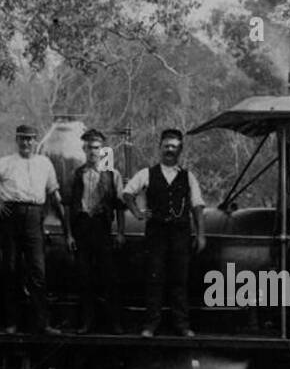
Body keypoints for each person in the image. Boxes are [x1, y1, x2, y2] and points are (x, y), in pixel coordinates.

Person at [0, 123, 74, 336]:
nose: (26, 143)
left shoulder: (44, 163)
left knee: (38, 270)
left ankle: (43, 324)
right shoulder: (6, 163)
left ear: (35, 141)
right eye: (22, 138)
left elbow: (54, 193)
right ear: (16, 140)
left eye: (30, 139)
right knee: (10, 269)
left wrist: (67, 228)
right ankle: (11, 323)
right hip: (10, 217)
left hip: (35, 218)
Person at [123, 128, 206, 337]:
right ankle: (150, 325)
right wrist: (138, 213)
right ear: (160, 148)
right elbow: (127, 193)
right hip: (156, 234)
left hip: (180, 233)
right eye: (167, 146)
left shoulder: (189, 177)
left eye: (174, 147)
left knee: (180, 279)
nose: (170, 150)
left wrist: (201, 234)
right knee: (154, 278)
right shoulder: (146, 174)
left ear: (180, 150)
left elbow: (197, 206)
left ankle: (182, 325)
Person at [69, 128, 125, 333]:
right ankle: (86, 322)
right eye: (89, 148)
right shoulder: (77, 174)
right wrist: (69, 234)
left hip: (103, 229)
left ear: (102, 150)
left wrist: (120, 232)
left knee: (109, 277)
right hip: (83, 228)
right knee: (84, 277)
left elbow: (120, 206)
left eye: (97, 148)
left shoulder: (112, 175)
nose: (93, 152)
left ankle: (114, 322)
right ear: (84, 150)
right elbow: (69, 205)